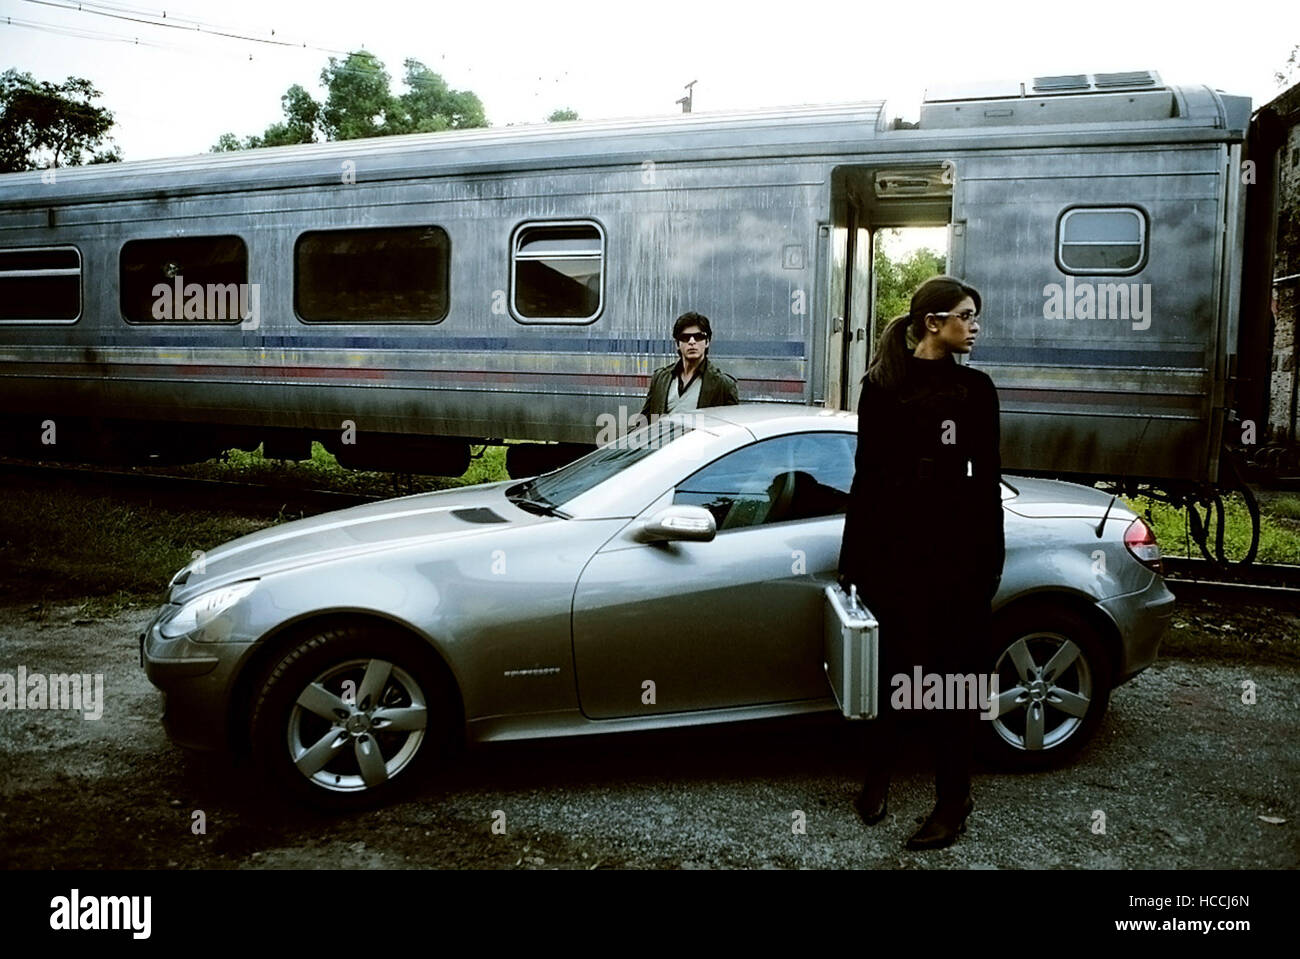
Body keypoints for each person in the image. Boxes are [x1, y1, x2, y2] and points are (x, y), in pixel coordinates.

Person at [837, 275, 1004, 851]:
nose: (975, 326)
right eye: (965, 315)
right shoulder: (881, 387)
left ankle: (953, 801)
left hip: (957, 557)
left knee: (953, 683)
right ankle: (878, 775)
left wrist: (990, 563)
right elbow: (867, 477)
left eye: (975, 315)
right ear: (933, 322)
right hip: (895, 555)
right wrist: (853, 558)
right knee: (895, 674)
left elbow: (987, 481)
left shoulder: (976, 391)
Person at [640, 312, 739, 418]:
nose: (692, 342)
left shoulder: (723, 385)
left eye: (698, 337)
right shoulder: (660, 378)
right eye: (685, 338)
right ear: (677, 344)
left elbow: (730, 428)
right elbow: (644, 421)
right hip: (662, 434)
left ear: (707, 342)